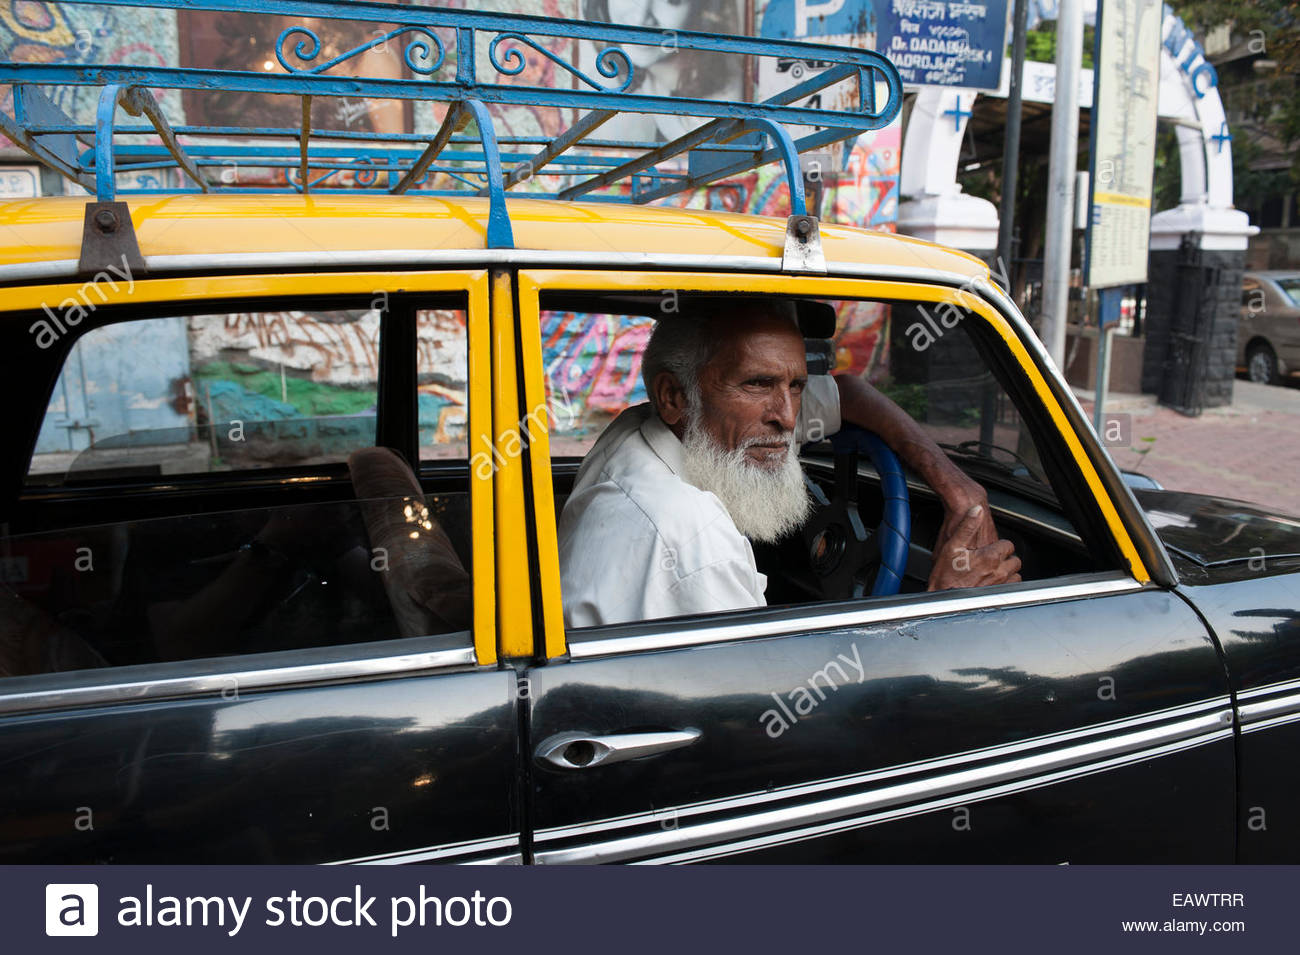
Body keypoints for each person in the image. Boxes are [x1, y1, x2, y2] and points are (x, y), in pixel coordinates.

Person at [557, 300, 1022, 628]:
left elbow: (851, 393)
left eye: (797, 385)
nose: (787, 416)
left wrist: (960, 488)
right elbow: (766, 718)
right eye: (758, 384)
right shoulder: (692, 536)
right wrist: (938, 608)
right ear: (674, 395)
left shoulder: (645, 427)